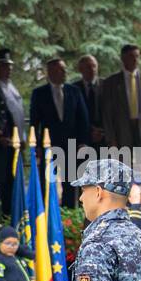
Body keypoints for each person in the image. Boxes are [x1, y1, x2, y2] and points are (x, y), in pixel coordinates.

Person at [30, 57, 92, 208]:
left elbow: (83, 118)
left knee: (70, 183)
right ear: (50, 72)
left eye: (65, 69)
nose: (64, 73)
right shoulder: (39, 93)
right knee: (47, 182)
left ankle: (68, 214)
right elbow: (34, 122)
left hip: (71, 145)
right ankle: (46, 214)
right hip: (48, 146)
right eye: (61, 70)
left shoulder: (74, 91)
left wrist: (83, 142)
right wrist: (37, 146)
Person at [99, 44, 141, 154]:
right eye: (131, 56)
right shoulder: (111, 82)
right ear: (123, 58)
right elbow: (107, 113)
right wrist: (111, 138)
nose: (135, 59)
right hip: (121, 132)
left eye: (137, 56)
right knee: (125, 168)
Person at [0, 50, 24, 225]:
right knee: (3, 182)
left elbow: (18, 114)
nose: (9, 70)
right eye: (5, 66)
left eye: (10, 66)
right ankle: (3, 217)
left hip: (15, 141)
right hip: (2, 143)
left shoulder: (10, 86)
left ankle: (10, 216)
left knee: (12, 181)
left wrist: (23, 136)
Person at [74, 55, 103, 144]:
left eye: (94, 66)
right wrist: (90, 130)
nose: (92, 69)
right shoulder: (74, 89)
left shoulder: (107, 85)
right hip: (82, 137)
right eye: (88, 67)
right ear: (80, 69)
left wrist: (101, 131)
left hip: (104, 135)